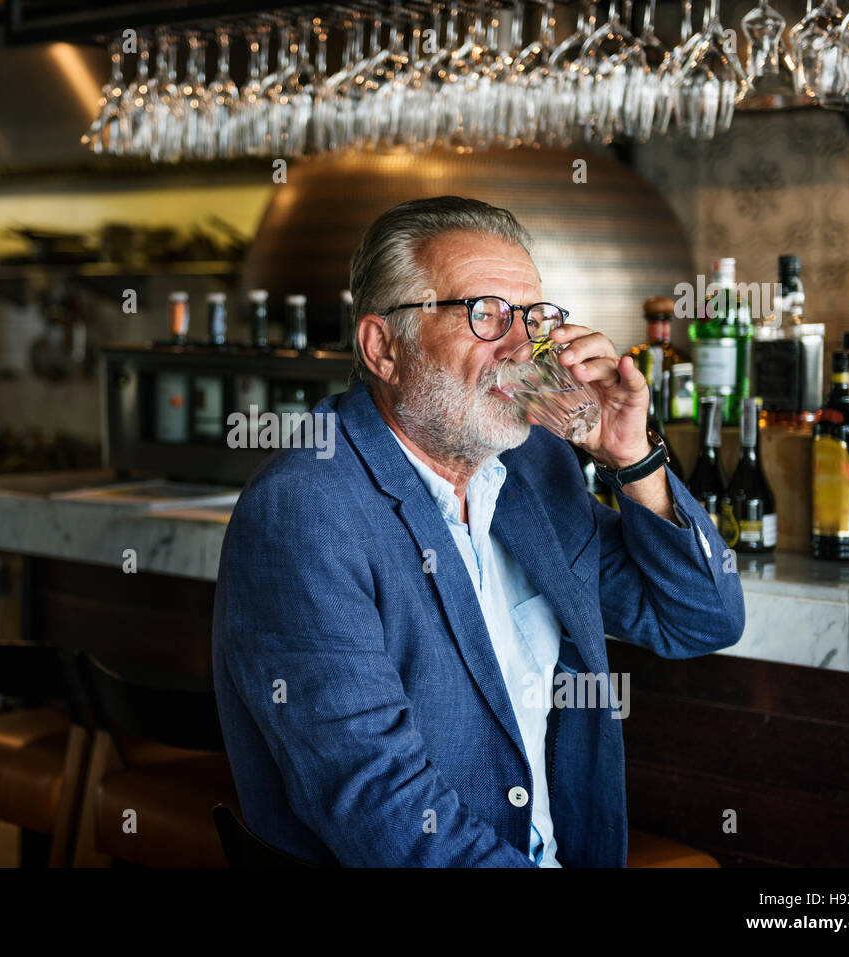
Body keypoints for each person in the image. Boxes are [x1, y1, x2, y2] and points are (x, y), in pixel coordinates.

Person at [212, 196, 744, 867]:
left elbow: (701, 618)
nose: (524, 346)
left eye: (534, 317)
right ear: (383, 347)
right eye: (484, 314)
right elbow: (384, 809)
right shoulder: (305, 513)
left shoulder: (533, 466)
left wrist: (633, 458)